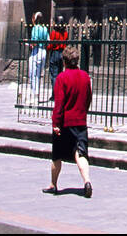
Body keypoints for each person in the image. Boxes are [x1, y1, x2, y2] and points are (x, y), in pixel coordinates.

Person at [44, 45, 93, 198]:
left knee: (57, 156)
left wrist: (55, 124)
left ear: (64, 61)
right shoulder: (85, 77)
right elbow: (88, 98)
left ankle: (53, 184)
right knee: (81, 153)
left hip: (65, 123)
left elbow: (59, 104)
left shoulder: (62, 78)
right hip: (80, 121)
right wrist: (82, 112)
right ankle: (87, 181)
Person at [28, 12, 49, 103]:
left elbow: (35, 41)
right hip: (43, 51)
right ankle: (36, 93)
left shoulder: (35, 28)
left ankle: (34, 95)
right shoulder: (45, 28)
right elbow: (48, 40)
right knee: (38, 74)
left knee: (33, 74)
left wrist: (28, 43)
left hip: (36, 51)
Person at [47, 17, 69, 95]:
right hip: (62, 53)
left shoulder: (54, 33)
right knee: (60, 74)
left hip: (55, 52)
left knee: (54, 75)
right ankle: (60, 93)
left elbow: (50, 45)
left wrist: (48, 48)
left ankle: (55, 94)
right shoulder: (65, 33)